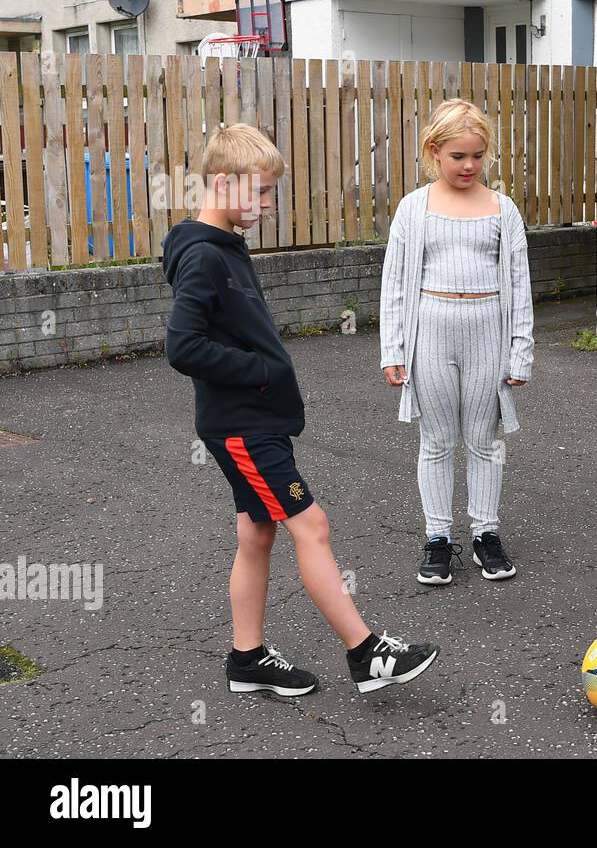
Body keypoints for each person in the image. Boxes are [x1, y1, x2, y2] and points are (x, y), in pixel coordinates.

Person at [163, 123, 440, 696]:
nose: (267, 205)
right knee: (311, 525)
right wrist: (262, 372)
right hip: (242, 427)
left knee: (256, 534)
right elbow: (182, 346)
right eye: (260, 193)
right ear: (222, 183)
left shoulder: (222, 248)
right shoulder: (204, 259)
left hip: (252, 422)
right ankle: (366, 654)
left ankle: (247, 660)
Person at [379, 99, 535, 587]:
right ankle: (438, 539)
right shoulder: (414, 208)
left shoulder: (502, 209)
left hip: (488, 329)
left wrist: (520, 349)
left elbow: (519, 280)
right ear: (434, 152)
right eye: (458, 156)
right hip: (432, 333)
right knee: (437, 442)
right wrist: (393, 349)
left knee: (485, 441)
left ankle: (485, 533)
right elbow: (396, 284)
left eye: (477, 155)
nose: (469, 166)